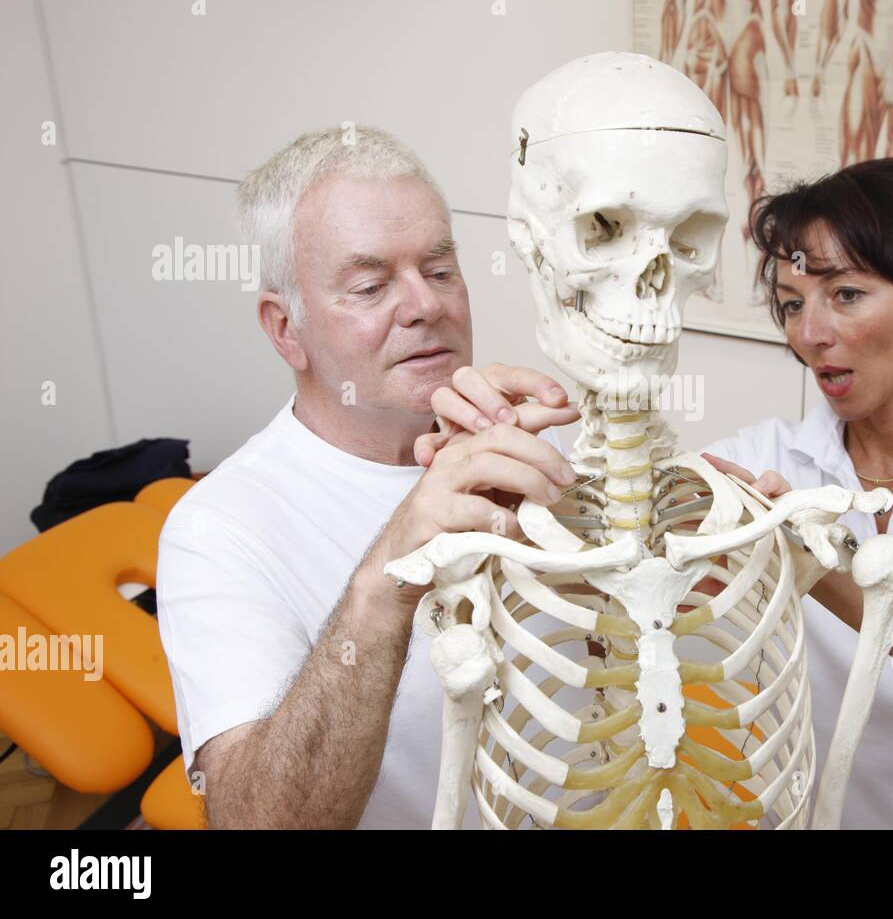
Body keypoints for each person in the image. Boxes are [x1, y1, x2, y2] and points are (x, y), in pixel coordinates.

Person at [435, 159, 893, 829]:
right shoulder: (766, 461)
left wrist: (823, 565)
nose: (810, 335)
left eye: (846, 295)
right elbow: (621, 554)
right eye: (793, 306)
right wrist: (502, 464)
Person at [155, 126, 578, 828]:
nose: (424, 305)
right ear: (285, 329)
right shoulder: (218, 531)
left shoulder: (531, 442)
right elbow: (258, 822)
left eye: (440, 271)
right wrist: (391, 570)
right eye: (371, 285)